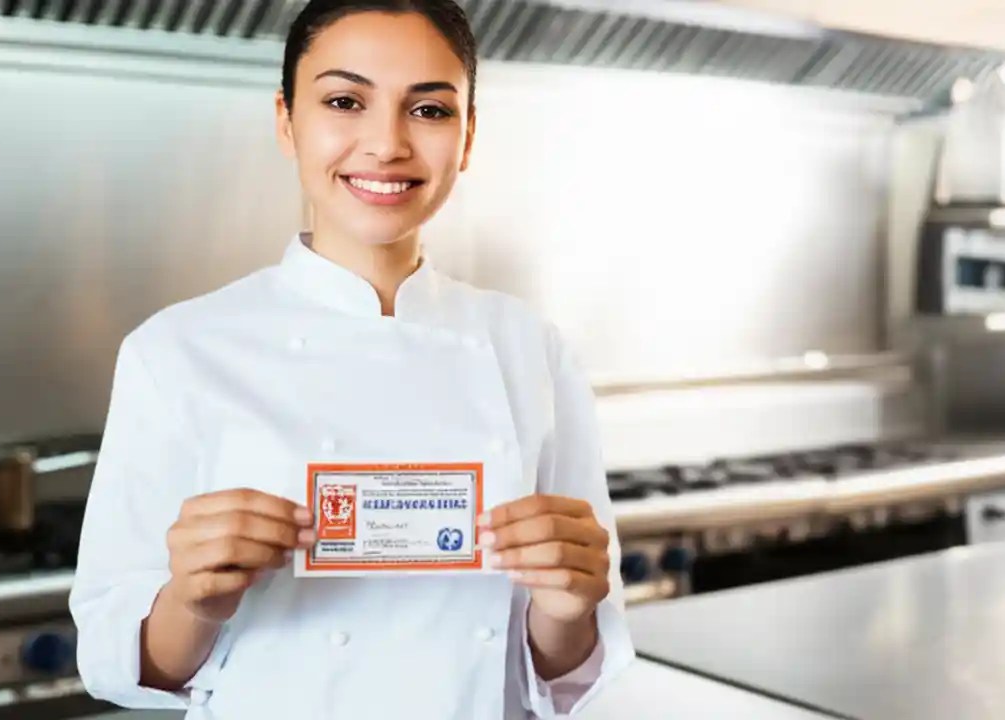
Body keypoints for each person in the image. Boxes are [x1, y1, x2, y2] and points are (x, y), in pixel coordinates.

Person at [68, 1, 634, 717]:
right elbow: (117, 661)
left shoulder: (532, 348)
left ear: (466, 138)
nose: (387, 144)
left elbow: (569, 671)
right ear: (285, 121)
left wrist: (570, 603)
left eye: (428, 110)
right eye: (344, 101)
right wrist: (192, 599)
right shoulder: (177, 351)